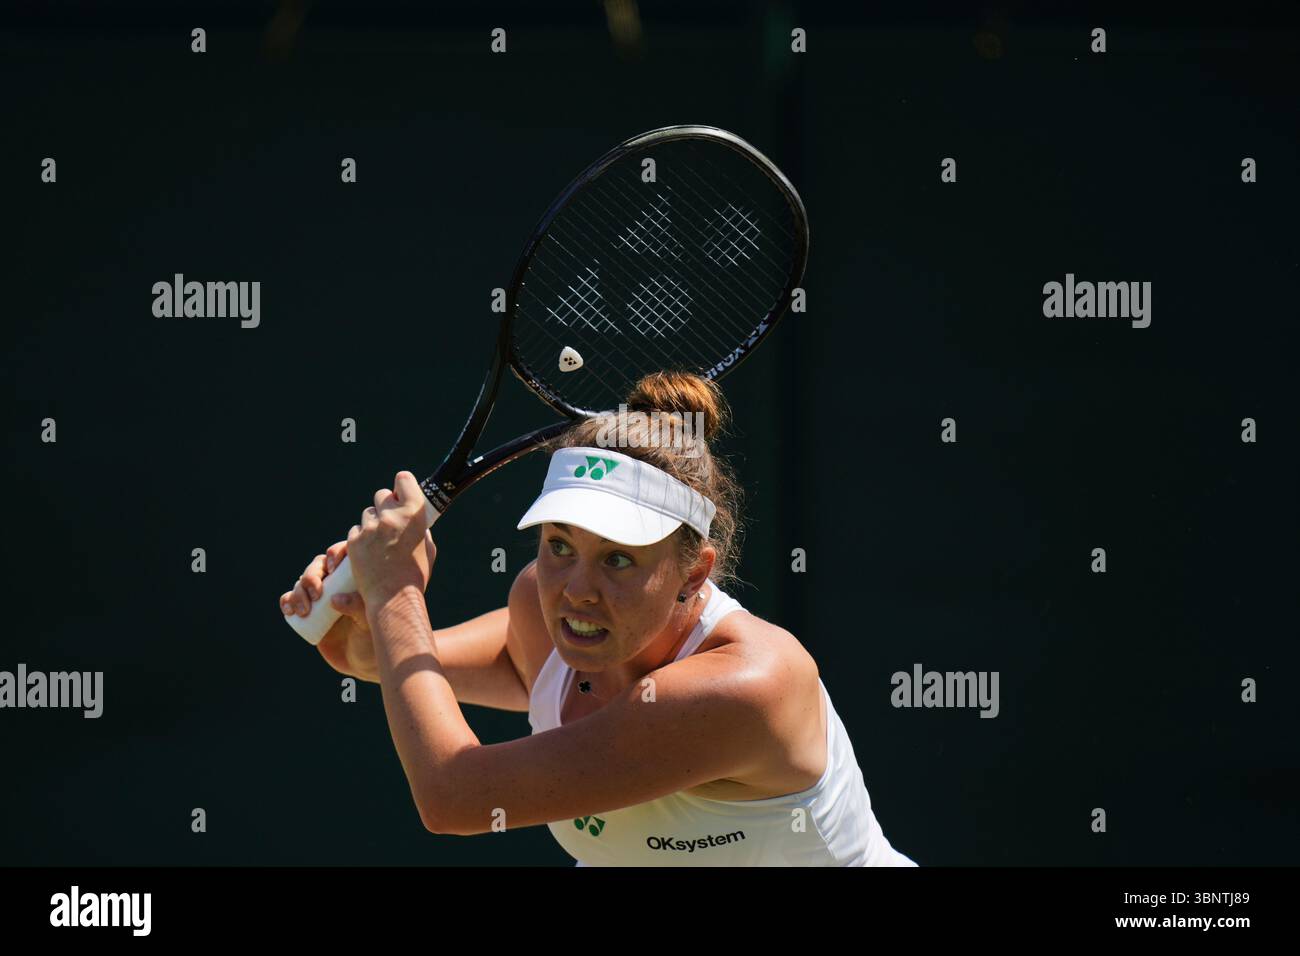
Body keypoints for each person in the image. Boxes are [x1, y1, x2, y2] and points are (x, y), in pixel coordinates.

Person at [280, 371, 916, 866]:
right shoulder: (541, 608)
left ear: (694, 573)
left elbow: (455, 796)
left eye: (617, 559)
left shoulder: (748, 687)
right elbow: (401, 665)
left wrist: (396, 596)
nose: (576, 591)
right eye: (559, 545)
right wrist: (360, 631)